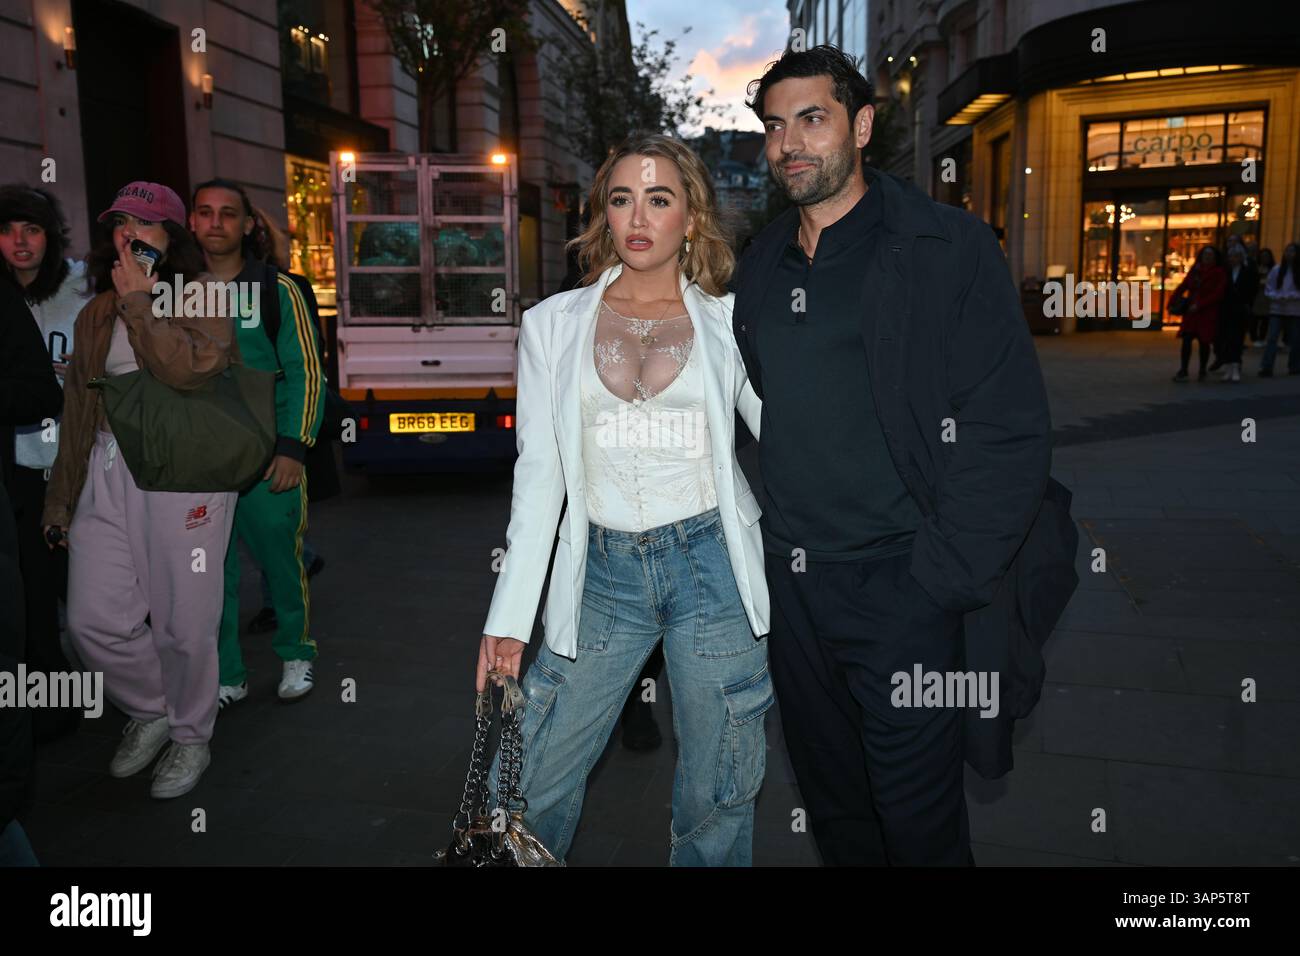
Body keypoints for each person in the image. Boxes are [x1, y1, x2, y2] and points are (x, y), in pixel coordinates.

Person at [732, 45, 1052, 866]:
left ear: (862, 125)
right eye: (774, 125)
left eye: (812, 118)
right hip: (796, 595)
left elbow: (1006, 430)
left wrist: (938, 582)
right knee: (837, 815)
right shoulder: (762, 263)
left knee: (919, 828)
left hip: (904, 591)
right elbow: (766, 403)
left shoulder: (945, 248)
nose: (788, 143)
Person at [475, 132, 771, 866]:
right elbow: (538, 476)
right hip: (602, 573)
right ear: (603, 214)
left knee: (718, 789)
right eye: (622, 197)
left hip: (715, 569)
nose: (639, 215)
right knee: (530, 775)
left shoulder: (734, 325)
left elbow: (792, 444)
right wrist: (508, 621)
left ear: (691, 218)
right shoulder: (551, 326)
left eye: (660, 198)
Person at [42, 181, 237, 799]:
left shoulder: (203, 294)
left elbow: (189, 371)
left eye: (146, 225)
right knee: (93, 620)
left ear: (172, 239)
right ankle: (152, 708)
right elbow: (77, 408)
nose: (130, 234)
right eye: (121, 223)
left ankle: (190, 735)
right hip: (107, 466)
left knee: (185, 619)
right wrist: (61, 499)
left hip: (184, 472)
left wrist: (141, 304)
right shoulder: (95, 310)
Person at [189, 180, 325, 707]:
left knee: (280, 561)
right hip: (201, 463)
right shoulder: (177, 291)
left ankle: (296, 652)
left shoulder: (278, 288)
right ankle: (228, 673)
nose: (215, 222)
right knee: (209, 573)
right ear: (193, 223)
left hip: (270, 460)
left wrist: (294, 446)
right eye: (204, 212)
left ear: (248, 225)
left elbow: (306, 371)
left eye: (228, 213)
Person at [0, 185, 93, 741]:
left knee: (92, 591)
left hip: (81, 464)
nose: (19, 241)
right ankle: (56, 706)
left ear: (51, 237)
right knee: (34, 598)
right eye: (8, 229)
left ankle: (137, 689)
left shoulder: (83, 288)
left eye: (31, 228)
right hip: (22, 473)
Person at [1170, 245, 1227, 382]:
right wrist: (1173, 300)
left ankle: (1202, 369)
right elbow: (1184, 285)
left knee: (1204, 342)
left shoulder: (1219, 272)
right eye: (1205, 254)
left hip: (1206, 312)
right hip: (1192, 311)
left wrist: (1200, 304)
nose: (1207, 257)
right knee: (1187, 339)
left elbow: (1218, 293)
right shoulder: (1196, 270)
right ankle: (1184, 369)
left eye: (1210, 255)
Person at [1217, 244, 1258, 383]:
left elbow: (1252, 290)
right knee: (1227, 338)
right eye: (1231, 256)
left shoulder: (1248, 272)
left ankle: (1235, 366)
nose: (1233, 259)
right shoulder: (1225, 272)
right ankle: (1228, 366)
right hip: (1227, 309)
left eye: (1235, 256)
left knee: (1237, 339)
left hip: (1240, 309)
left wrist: (1247, 304)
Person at [1258, 242, 1300, 378]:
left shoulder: (1297, 271)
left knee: (1295, 339)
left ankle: (1294, 366)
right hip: (1277, 309)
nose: (1289, 254)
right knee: (1272, 338)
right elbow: (1269, 288)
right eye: (1287, 251)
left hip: (1294, 310)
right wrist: (1277, 297)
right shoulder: (1277, 269)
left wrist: (1290, 296)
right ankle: (1267, 366)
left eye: (1292, 251)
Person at [1250, 248, 1275, 347]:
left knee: (1265, 318)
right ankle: (1254, 338)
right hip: (1257, 295)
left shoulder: (1273, 269)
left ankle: (1262, 337)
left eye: (1266, 257)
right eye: (1263, 256)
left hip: (1267, 296)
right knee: (1254, 318)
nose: (1265, 258)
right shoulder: (1255, 268)